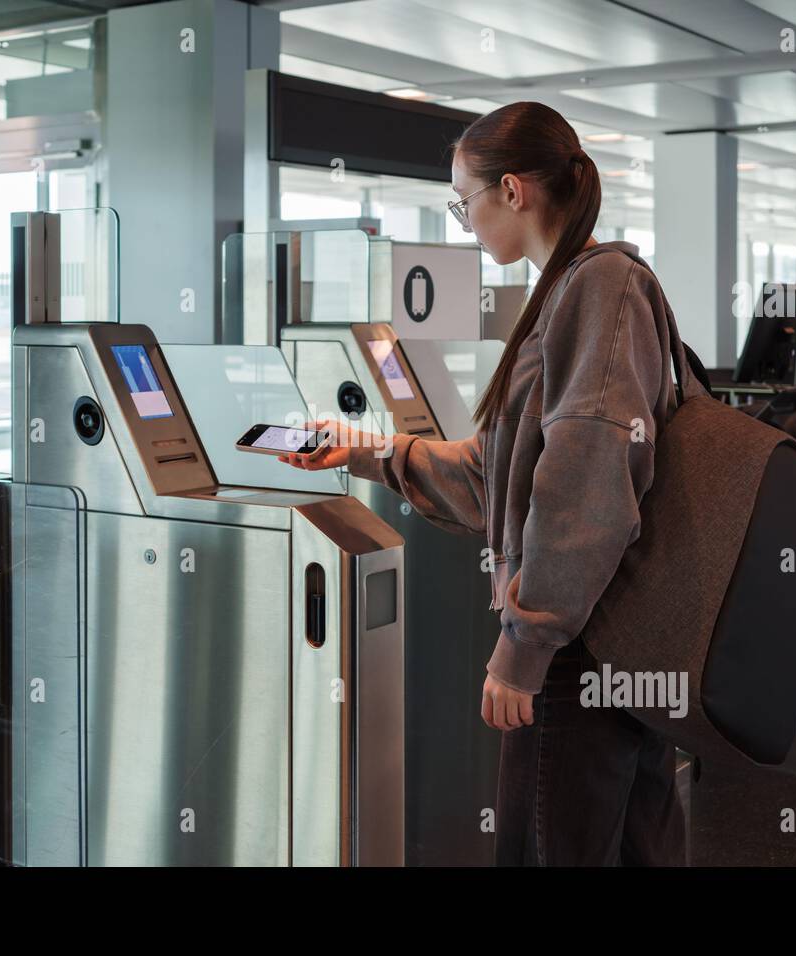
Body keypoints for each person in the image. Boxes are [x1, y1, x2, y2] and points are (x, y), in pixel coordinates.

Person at [278, 101, 686, 866]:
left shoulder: (602, 287)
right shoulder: (563, 294)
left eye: (463, 202)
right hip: (592, 643)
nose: (463, 221)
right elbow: (494, 481)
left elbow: (587, 484)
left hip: (586, 655)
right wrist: (367, 451)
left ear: (513, 189)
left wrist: (523, 646)